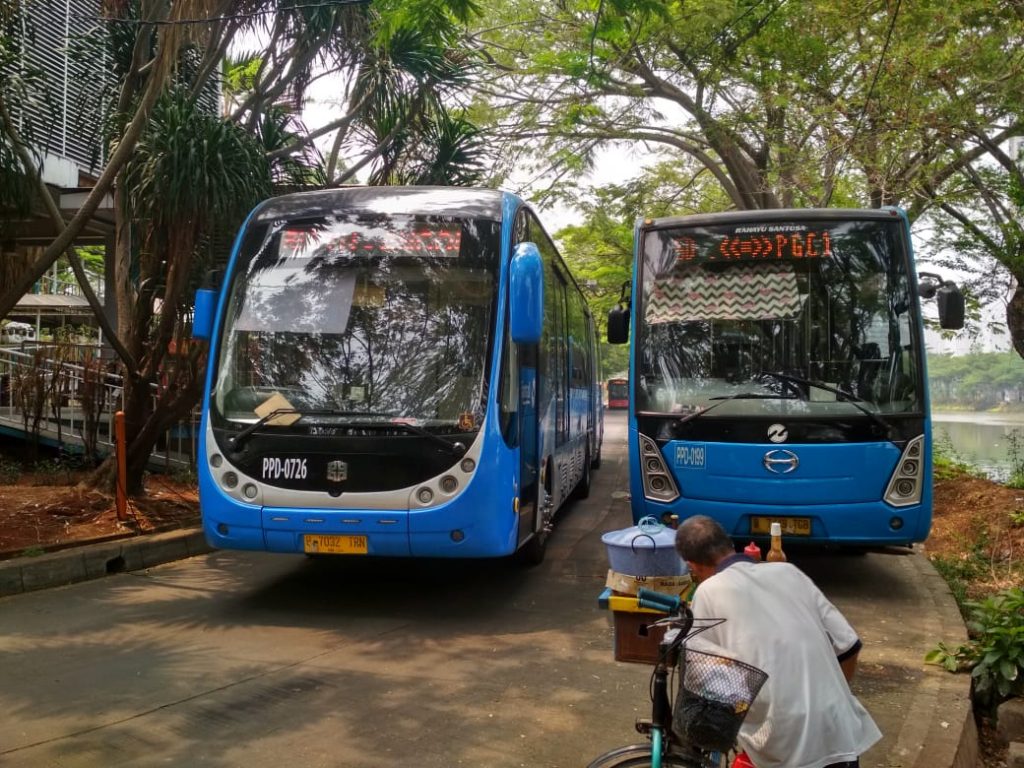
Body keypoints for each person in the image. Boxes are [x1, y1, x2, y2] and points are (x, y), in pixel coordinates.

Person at [674, 515, 881, 768]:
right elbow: (849, 646)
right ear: (729, 544)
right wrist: (825, 697)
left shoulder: (709, 591)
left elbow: (701, 677)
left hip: (784, 742)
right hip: (837, 728)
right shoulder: (788, 571)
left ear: (693, 566)